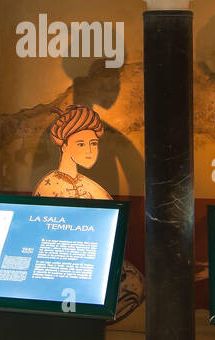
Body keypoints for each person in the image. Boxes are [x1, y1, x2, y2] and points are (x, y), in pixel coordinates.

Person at [34, 105, 144, 322]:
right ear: (64, 145)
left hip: (94, 259)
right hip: (61, 262)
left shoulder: (93, 187)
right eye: (81, 143)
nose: (89, 150)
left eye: (93, 144)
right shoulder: (48, 185)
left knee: (134, 282)